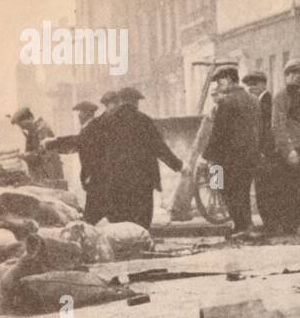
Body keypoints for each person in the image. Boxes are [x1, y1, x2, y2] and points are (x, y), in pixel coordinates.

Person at [97, 87, 183, 231]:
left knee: (119, 220)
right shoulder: (144, 120)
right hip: (142, 180)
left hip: (115, 180)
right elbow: (160, 148)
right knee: (141, 219)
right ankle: (141, 245)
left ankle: (123, 249)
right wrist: (178, 165)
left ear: (120, 101)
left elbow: (97, 152)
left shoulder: (106, 122)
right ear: (135, 102)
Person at [255, 60, 300, 234]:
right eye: (294, 74)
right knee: (291, 188)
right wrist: (288, 150)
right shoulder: (281, 97)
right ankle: (288, 224)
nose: (298, 78)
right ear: (287, 76)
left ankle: (294, 222)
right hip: (291, 151)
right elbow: (278, 126)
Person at [203, 66, 260, 235]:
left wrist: (206, 156)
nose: (219, 86)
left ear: (228, 79)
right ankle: (245, 225)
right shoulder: (253, 100)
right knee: (243, 190)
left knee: (226, 189)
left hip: (230, 158)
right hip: (250, 155)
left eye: (220, 81)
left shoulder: (226, 102)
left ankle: (241, 226)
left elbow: (218, 132)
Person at [11, 107, 65, 186]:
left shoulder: (42, 129)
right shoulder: (32, 131)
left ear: (30, 118)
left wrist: (26, 155)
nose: (23, 128)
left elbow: (43, 153)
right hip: (43, 175)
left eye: (23, 125)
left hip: (50, 175)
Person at [76, 96, 109, 224]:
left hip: (96, 177)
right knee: (96, 211)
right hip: (93, 177)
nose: (79, 115)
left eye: (81, 112)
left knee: (93, 214)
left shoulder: (93, 129)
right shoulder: (87, 128)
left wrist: (90, 174)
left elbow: (96, 155)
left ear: (88, 113)